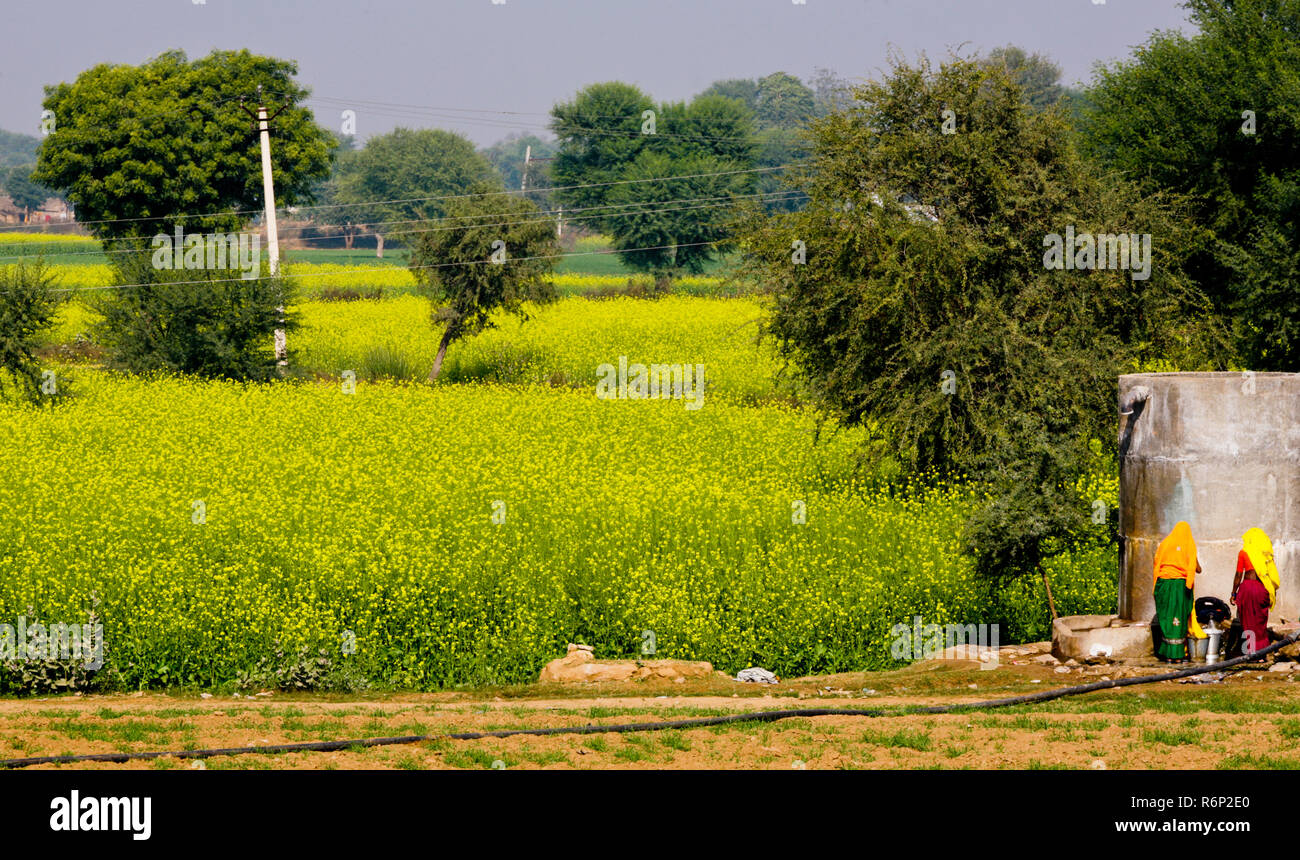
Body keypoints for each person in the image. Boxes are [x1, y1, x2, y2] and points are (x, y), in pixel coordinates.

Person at [1153, 521, 1203, 662]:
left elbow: (1156, 561)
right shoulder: (1188, 544)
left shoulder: (1165, 543)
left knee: (1167, 618)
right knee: (1178, 618)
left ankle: (1167, 653)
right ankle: (1177, 655)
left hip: (1163, 584)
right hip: (1179, 586)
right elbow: (1196, 567)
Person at [1230, 528, 1281, 656]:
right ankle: (1262, 654)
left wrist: (1233, 593)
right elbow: (1272, 575)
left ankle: (1250, 653)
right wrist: (1273, 593)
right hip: (1261, 590)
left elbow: (1238, 575)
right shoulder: (1265, 554)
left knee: (1248, 623)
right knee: (1260, 623)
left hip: (1247, 589)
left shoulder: (1243, 553)